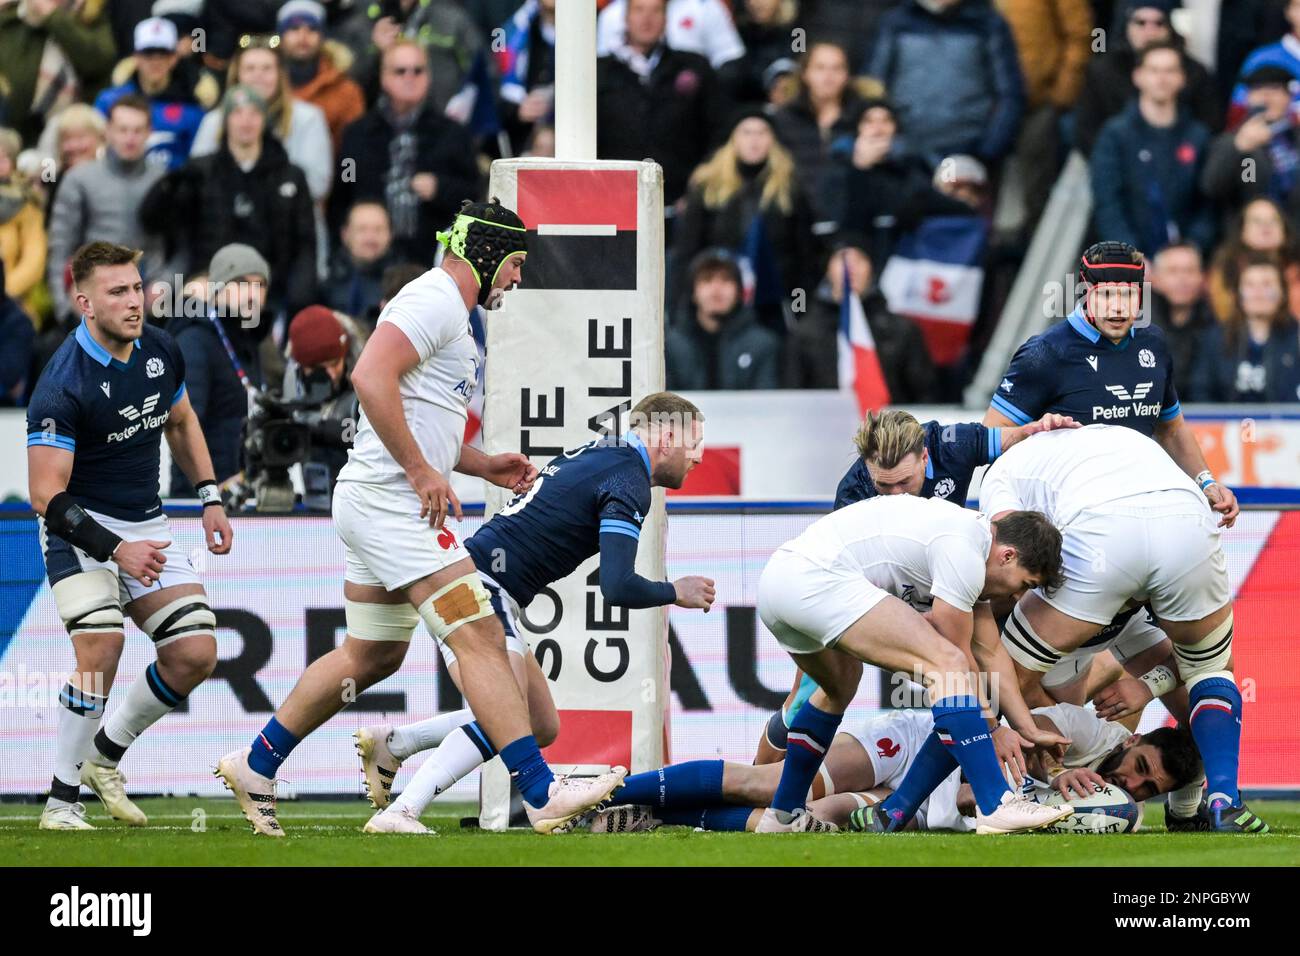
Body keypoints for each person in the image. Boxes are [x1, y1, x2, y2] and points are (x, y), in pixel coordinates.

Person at [215, 199, 628, 837]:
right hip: (390, 501)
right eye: (515, 265)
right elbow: (370, 376)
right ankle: (540, 791)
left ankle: (257, 761)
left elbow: (415, 414)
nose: (517, 281)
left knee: (371, 655)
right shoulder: (435, 297)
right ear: (488, 255)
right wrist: (418, 471)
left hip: (375, 496)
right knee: (482, 637)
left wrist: (480, 463)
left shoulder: (453, 315)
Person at [356, 391, 716, 832]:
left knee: (541, 723)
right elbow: (618, 586)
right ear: (667, 437)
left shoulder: (607, 453)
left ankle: (399, 743)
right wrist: (673, 591)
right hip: (482, 586)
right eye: (695, 442)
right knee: (504, 711)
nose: (699, 456)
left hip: (479, 580)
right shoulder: (629, 478)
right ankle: (403, 810)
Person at [25, 240, 233, 830]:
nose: (134, 301)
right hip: (81, 527)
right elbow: (46, 496)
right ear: (85, 303)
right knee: (101, 647)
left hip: (146, 523)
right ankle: (61, 802)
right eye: (118, 292)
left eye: (138, 288)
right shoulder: (61, 384)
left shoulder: (162, 350)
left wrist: (210, 495)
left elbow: (183, 419)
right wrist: (116, 550)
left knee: (195, 653)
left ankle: (103, 757)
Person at [973, 424, 1269, 833]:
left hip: (1102, 542)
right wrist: (1149, 684)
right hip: (1187, 522)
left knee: (1004, 680)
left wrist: (1145, 686)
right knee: (1211, 674)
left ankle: (985, 797)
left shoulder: (1002, 475)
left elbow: (1010, 563)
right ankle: (1221, 801)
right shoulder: (1125, 442)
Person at [754, 407, 1079, 766]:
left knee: (969, 658)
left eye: (905, 483)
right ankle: (760, 781)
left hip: (943, 573)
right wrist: (990, 725)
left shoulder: (955, 444)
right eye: (883, 486)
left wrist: (1047, 427)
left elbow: (1020, 437)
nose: (895, 497)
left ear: (926, 457)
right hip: (867, 590)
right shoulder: (852, 493)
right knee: (817, 694)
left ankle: (965, 784)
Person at [751, 493, 1072, 833]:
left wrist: (1026, 727)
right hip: (814, 578)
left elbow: (991, 652)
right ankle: (995, 802)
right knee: (947, 664)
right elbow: (957, 656)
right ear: (1008, 556)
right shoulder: (963, 548)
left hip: (779, 584)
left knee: (839, 687)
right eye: (1025, 584)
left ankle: (784, 815)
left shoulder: (970, 548)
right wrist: (992, 728)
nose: (1018, 597)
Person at [583, 702, 1203, 834]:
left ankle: (656, 820)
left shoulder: (1116, 810)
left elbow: (970, 803)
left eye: (1151, 787)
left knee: (796, 825)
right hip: (912, 743)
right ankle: (601, 788)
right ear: (1137, 739)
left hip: (926, 800)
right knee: (770, 786)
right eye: (1143, 765)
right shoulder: (1085, 731)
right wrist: (1047, 768)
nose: (1135, 782)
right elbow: (987, 727)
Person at [984, 241, 1240, 528]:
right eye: (1106, 295)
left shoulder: (1154, 344)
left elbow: (1172, 429)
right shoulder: (1046, 352)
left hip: (1141, 513)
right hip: (1066, 522)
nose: (1118, 307)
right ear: (1084, 294)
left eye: (1128, 295)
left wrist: (1206, 482)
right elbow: (992, 435)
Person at [140, 85, 318, 318]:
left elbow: (305, 240)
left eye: (254, 113)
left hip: (272, 286)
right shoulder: (200, 171)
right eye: (237, 113)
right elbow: (154, 221)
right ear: (225, 121)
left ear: (264, 120)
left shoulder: (290, 175)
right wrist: (170, 184)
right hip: (209, 281)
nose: (246, 121)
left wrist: (300, 295)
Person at [330, 39, 480, 265]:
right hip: (368, 262)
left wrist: (440, 188)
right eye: (400, 71)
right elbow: (341, 197)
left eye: (417, 70)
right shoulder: (357, 133)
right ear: (384, 77)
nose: (410, 78)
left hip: (433, 259)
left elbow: (474, 197)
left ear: (428, 76)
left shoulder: (453, 133)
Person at [672, 109, 817, 330]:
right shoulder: (707, 186)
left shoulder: (791, 188)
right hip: (716, 304)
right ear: (733, 139)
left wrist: (801, 312)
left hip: (773, 305)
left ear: (773, 140)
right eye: (747, 132)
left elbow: (804, 261)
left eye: (762, 132)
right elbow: (687, 251)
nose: (754, 140)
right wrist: (682, 307)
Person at [863, 0, 1025, 170]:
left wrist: (986, 154)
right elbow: (871, 90)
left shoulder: (989, 24)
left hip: (966, 152)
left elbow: (1010, 95)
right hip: (903, 154)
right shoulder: (895, 22)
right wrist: (882, 144)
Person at [47, 95, 165, 326]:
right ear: (108, 131)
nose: (130, 138)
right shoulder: (79, 179)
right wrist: (63, 308)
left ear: (149, 132)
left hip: (147, 289)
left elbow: (179, 246)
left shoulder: (163, 181)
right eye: (123, 130)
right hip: (93, 292)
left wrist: (166, 282)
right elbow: (60, 248)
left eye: (138, 130)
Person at [1089, 40, 1216, 257]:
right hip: (1129, 262)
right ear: (1138, 76)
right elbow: (1108, 204)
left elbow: (1209, 204)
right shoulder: (1114, 135)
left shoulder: (1198, 136)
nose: (1161, 78)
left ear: (1182, 78)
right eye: (1154, 70)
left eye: (1170, 70)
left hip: (1187, 264)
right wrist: (1132, 255)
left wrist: (1193, 248)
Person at [595, 0, 726, 208]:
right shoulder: (598, 71)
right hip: (612, 202)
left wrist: (700, 185)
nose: (647, 19)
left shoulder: (694, 66)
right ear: (626, 18)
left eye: (656, 11)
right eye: (639, 10)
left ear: (666, 19)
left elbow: (718, 130)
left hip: (681, 203)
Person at [165, 244, 271, 496]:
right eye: (241, 283)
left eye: (261, 285)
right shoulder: (195, 340)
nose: (252, 294)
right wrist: (207, 490)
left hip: (238, 493)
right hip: (201, 502)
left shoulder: (249, 341)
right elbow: (183, 427)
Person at [189, 34, 333, 210]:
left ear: (279, 74)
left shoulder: (308, 118)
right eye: (250, 69)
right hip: (226, 220)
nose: (258, 76)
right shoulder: (215, 120)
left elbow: (317, 184)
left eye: (267, 69)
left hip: (290, 219)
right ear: (237, 74)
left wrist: (255, 194)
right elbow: (198, 177)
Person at [784, 245, 935, 398]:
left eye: (859, 260)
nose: (851, 268)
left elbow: (924, 392)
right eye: (842, 259)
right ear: (828, 269)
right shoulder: (805, 333)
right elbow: (793, 393)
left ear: (871, 268)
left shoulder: (902, 330)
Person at [1074, 1, 1221, 158]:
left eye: (1158, 23)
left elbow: (1210, 129)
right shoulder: (1103, 71)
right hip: (1115, 163)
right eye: (1141, 22)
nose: (1149, 31)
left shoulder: (1195, 73)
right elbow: (1087, 132)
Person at [997, 0, 1093, 231]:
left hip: (1039, 101)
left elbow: (1080, 35)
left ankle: (1031, 249)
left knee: (1038, 187)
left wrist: (1062, 93)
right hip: (988, 104)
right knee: (977, 184)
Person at [93, 16, 216, 170]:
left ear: (174, 58)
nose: (155, 61)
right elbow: (95, 151)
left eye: (163, 54)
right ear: (136, 57)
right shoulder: (109, 101)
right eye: (148, 53)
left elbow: (198, 162)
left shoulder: (192, 108)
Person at [771, 42, 867, 225]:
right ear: (805, 74)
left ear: (847, 75)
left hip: (851, 222)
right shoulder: (784, 119)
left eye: (837, 68)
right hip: (795, 222)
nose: (828, 76)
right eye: (820, 68)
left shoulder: (864, 118)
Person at [280, 304, 365, 506]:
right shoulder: (293, 378)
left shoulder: (364, 379)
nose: (331, 374)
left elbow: (369, 439)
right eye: (319, 368)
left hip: (356, 494)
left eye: (335, 363)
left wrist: (322, 430)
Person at [0, 0, 116, 145]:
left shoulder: (92, 16)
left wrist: (53, 16)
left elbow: (97, 61)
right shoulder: (12, 17)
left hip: (74, 135)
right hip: (13, 129)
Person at [665, 248, 781, 390]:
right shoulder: (670, 346)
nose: (716, 288)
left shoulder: (763, 345)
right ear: (693, 292)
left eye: (726, 279)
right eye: (707, 280)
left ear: (739, 292)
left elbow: (767, 403)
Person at [1190, 256, 1300, 404]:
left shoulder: (1296, 337)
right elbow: (1199, 392)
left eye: (1267, 284)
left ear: (1282, 293)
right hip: (1226, 426)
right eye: (1250, 285)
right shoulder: (1215, 338)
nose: (1258, 292)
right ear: (1238, 294)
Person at [1202, 66, 1300, 225]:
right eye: (1258, 89)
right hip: (1248, 238)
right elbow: (1211, 187)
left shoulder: (1295, 138)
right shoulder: (1229, 141)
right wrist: (1238, 148)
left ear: (1289, 97)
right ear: (1247, 97)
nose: (1266, 97)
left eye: (1275, 89)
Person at [277, 0, 366, 155]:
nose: (303, 37)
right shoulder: (264, 83)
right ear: (281, 36)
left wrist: (348, 178)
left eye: (312, 29)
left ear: (322, 37)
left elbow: (353, 155)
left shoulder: (345, 91)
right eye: (294, 28)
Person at [1205, 197, 1300, 324]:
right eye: (1257, 221)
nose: (1266, 226)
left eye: (1273, 220)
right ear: (1242, 231)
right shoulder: (1226, 269)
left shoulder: (1296, 269)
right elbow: (1225, 317)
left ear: (1284, 230)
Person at [1148, 241, 1214, 390]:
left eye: (1190, 271)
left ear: (1203, 278)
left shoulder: (1215, 324)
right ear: (1155, 278)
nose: (1182, 279)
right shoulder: (1135, 326)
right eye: (1173, 271)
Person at [0, 127, 47, 323]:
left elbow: (34, 259)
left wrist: (4, 293)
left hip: (10, 307)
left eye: (3, 158)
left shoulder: (26, 204)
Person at [322, 201, 395, 325]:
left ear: (391, 234)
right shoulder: (324, 283)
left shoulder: (405, 283)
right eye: (362, 229)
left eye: (378, 230)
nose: (370, 238)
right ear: (345, 234)